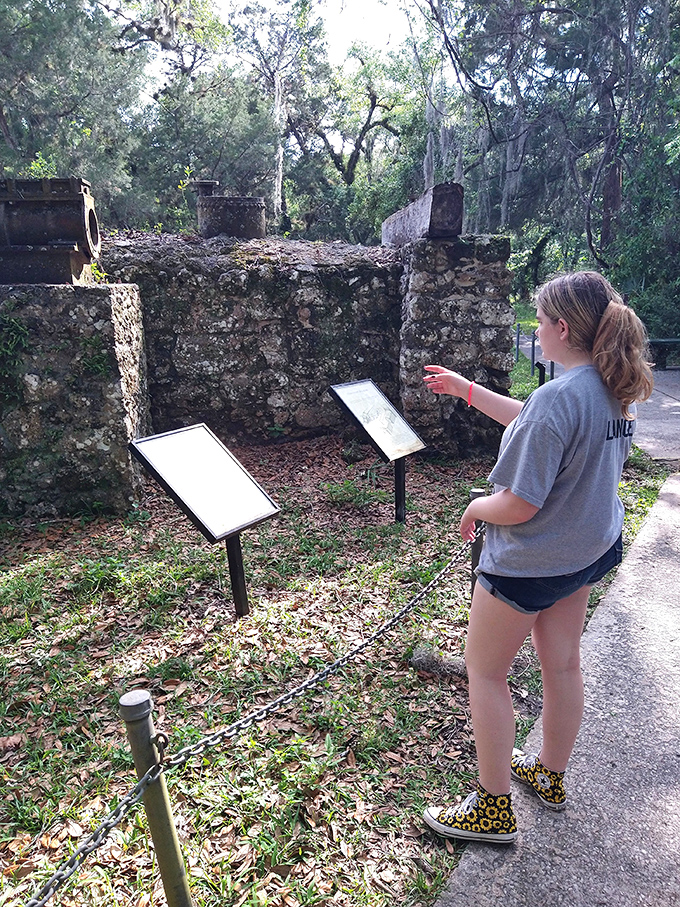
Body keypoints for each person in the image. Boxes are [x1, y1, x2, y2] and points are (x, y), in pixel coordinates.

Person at [420, 271, 654, 843]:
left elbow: (520, 504)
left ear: (562, 327)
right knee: (563, 664)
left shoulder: (560, 398)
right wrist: (468, 390)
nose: (537, 329)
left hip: (529, 564)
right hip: (586, 553)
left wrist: (478, 505)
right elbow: (539, 420)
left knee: (486, 671)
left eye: (540, 319)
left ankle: (492, 808)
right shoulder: (608, 388)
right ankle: (549, 774)